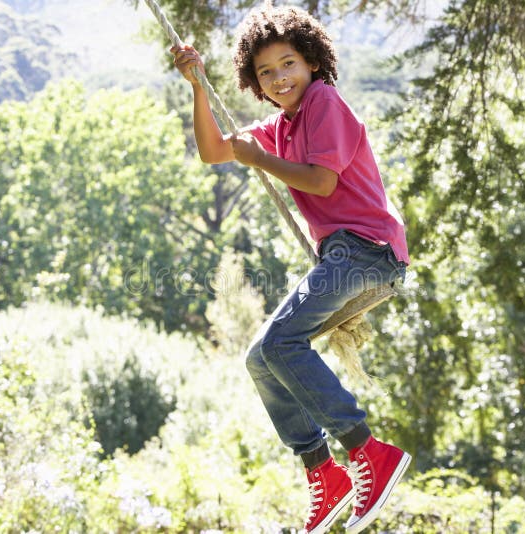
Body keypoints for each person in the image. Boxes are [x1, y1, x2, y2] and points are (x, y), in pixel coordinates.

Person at [172, 4, 411, 533]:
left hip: (368, 249)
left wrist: (257, 159)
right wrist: (197, 85)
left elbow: (321, 182)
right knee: (262, 356)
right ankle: (324, 473)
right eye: (266, 72)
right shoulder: (282, 125)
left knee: (283, 345)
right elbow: (216, 151)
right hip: (345, 255)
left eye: (288, 64)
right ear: (254, 83)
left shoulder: (323, 101)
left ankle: (368, 451)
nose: (280, 78)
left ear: (312, 63)